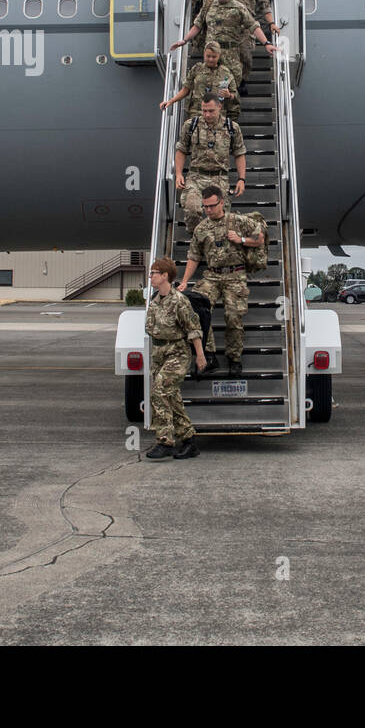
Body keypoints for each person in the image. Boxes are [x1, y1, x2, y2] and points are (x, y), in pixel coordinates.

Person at [178, 187, 263, 376]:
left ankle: (234, 359)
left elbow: (259, 239)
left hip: (235, 275)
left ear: (222, 202)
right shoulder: (201, 228)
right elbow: (194, 257)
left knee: (233, 316)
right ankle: (209, 355)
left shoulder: (238, 221)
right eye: (205, 206)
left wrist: (241, 239)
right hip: (212, 275)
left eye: (212, 206)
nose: (208, 210)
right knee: (197, 308)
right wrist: (184, 281)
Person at [171, 0, 276, 118]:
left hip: (230, 58)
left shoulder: (239, 8)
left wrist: (266, 43)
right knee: (208, 92)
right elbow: (198, 25)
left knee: (226, 96)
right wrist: (184, 40)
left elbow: (254, 26)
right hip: (210, 57)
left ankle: (227, 129)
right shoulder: (209, 6)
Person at [144, 257, 205, 460]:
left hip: (177, 352)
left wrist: (200, 356)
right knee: (172, 397)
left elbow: (193, 329)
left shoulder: (179, 300)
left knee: (159, 391)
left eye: (154, 273)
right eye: (151, 273)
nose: (151, 276)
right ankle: (189, 441)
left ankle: (165, 441)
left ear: (165, 276)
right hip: (160, 353)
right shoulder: (155, 300)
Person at [174, 94, 246, 231]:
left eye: (211, 111)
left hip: (219, 177)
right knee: (192, 209)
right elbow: (181, 149)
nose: (207, 114)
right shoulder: (191, 125)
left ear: (219, 107)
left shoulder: (232, 128)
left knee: (219, 218)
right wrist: (178, 174)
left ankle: (212, 244)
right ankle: (196, 239)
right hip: (196, 177)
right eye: (204, 110)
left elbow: (239, 153)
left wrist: (241, 179)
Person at [160, 42, 238, 120]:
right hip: (197, 113)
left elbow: (235, 95)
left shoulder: (226, 72)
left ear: (219, 56)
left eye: (214, 57)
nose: (210, 59)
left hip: (217, 115)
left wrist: (229, 95)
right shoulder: (197, 69)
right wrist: (171, 101)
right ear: (204, 54)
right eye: (208, 56)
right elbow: (186, 89)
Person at [233, 0, 275, 80]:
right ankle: (233, 86)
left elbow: (265, 8)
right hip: (230, 25)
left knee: (246, 58)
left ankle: (243, 79)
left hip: (248, 28)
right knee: (230, 58)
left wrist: (271, 23)